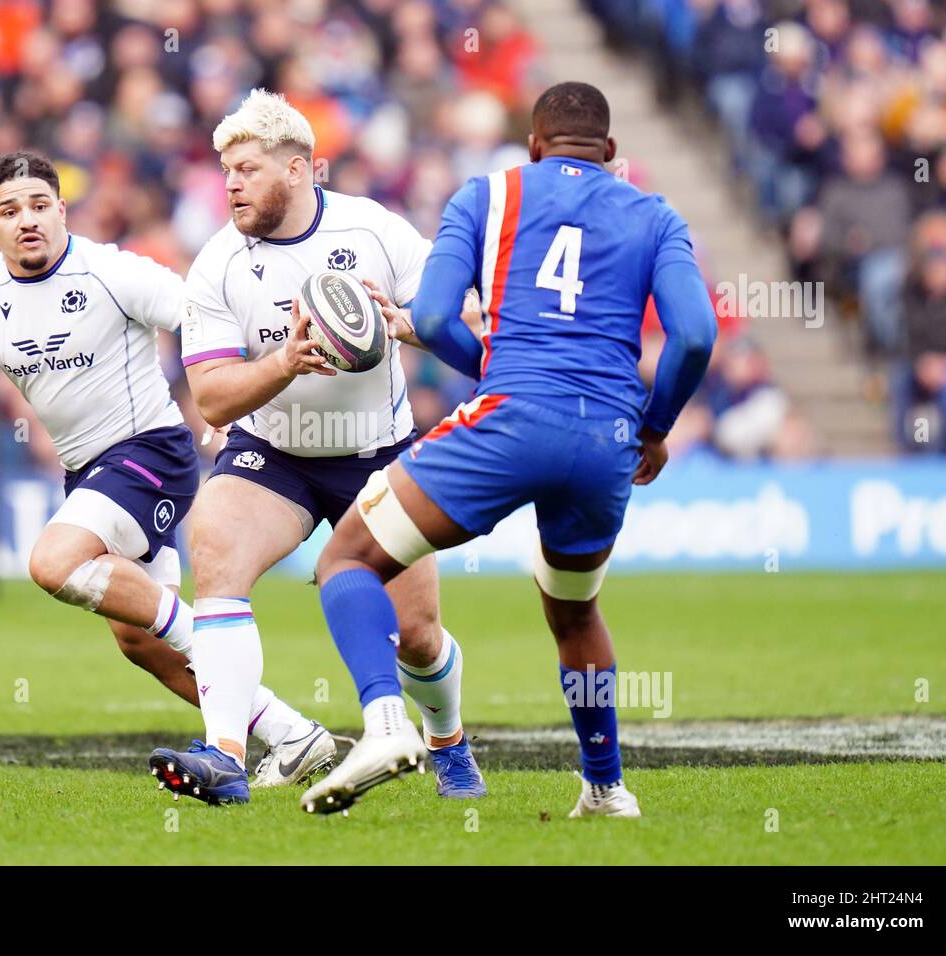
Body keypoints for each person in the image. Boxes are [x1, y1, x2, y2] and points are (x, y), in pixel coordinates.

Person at [302, 82, 717, 817]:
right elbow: (694, 335)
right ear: (610, 153)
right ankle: (604, 787)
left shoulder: (486, 195)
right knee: (574, 613)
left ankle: (387, 727)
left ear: (533, 144)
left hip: (510, 419)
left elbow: (430, 316)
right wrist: (654, 426)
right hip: (605, 439)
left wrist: (497, 372)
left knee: (347, 559)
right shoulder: (656, 215)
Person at [0, 151, 327, 790]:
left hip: (151, 451)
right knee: (142, 644)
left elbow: (203, 319)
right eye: (9, 211)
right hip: (87, 473)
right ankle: (292, 735)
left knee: (53, 563)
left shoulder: (111, 272)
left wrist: (228, 398)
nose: (27, 220)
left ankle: (218, 640)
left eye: (38, 205)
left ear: (61, 210)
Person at [147, 90, 484, 806]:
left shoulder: (374, 230)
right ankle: (227, 757)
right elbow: (210, 396)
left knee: (419, 636)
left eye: (246, 169)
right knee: (213, 546)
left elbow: (465, 322)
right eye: (225, 171)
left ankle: (449, 745)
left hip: (377, 454)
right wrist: (285, 363)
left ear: (299, 170)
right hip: (276, 458)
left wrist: (406, 324)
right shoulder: (216, 264)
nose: (230, 184)